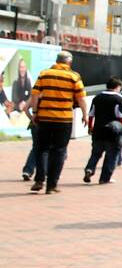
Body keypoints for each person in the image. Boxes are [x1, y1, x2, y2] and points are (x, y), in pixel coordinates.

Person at [29, 51, 88, 194]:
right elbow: (81, 98)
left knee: (42, 149)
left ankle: (39, 180)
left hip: (44, 117)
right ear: (69, 62)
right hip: (64, 119)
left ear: (56, 61)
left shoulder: (44, 74)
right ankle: (51, 185)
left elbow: (35, 94)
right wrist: (85, 115)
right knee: (59, 151)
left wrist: (35, 113)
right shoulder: (74, 76)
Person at [83, 76, 122, 185]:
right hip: (113, 132)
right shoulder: (119, 98)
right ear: (118, 87)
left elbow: (91, 115)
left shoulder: (97, 97)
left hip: (98, 130)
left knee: (95, 153)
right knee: (111, 156)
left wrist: (90, 127)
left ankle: (89, 169)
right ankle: (104, 178)